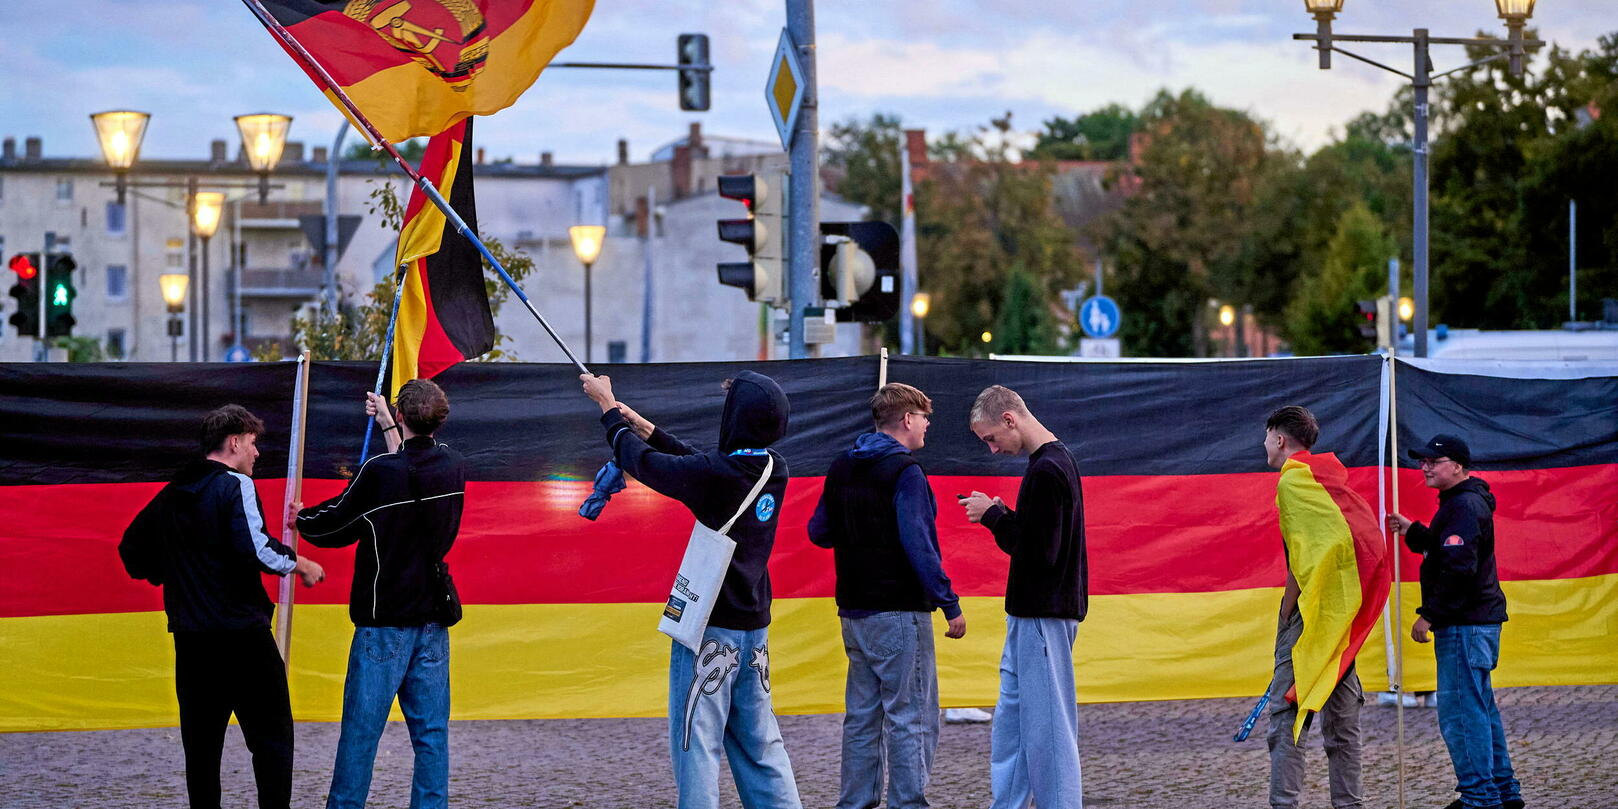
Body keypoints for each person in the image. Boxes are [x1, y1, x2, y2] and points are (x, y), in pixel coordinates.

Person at [580, 370, 803, 809]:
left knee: (695, 745)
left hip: (709, 628)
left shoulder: (718, 476)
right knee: (761, 746)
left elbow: (651, 467)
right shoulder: (775, 468)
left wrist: (607, 407)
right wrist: (644, 427)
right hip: (753, 629)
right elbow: (697, 464)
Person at [118, 404, 326, 809]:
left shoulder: (175, 491)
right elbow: (258, 549)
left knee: (201, 749)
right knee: (272, 739)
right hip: (242, 638)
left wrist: (173, 573)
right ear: (234, 442)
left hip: (192, 642)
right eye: (252, 443)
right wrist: (301, 564)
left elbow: (131, 551)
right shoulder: (236, 486)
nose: (256, 453)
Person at [293, 379, 467, 809]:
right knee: (431, 737)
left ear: (404, 416)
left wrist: (301, 519)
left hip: (383, 622)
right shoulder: (454, 466)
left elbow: (336, 524)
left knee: (360, 735)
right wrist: (390, 423)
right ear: (440, 419)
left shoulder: (379, 472)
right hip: (432, 620)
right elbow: (407, 473)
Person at [807, 382, 967, 809]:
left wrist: (858, 527)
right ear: (907, 419)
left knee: (862, 719)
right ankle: (907, 803)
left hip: (853, 612)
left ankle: (855, 802)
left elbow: (818, 532)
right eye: (925, 418)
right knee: (911, 716)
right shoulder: (906, 472)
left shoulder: (842, 466)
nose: (928, 426)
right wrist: (948, 603)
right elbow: (919, 544)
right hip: (899, 612)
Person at [958, 385, 1086, 809]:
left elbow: (1040, 555)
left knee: (1048, 730)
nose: (993, 450)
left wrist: (993, 517)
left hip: (1043, 614)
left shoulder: (1048, 469)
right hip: (1034, 614)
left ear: (1010, 419)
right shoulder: (1051, 463)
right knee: (1012, 727)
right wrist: (1006, 516)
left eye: (992, 437)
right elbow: (1041, 540)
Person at [1388, 435, 1522, 809]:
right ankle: (1503, 791)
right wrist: (1413, 531)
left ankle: (1480, 798)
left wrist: (1429, 615)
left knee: (1462, 712)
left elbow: (1459, 568)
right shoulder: (1462, 502)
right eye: (1424, 460)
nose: (1425, 466)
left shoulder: (1462, 505)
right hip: (1476, 621)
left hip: (1464, 623)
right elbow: (1448, 547)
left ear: (1459, 465)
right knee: (1480, 709)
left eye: (1435, 460)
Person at [1262, 405, 1366, 809]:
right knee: (1342, 723)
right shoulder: (1332, 480)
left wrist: (1286, 613)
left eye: (1267, 437)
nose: (1264, 445)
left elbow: (1302, 561)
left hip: (1309, 616)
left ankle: (1284, 804)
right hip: (1339, 615)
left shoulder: (1292, 483)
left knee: (1287, 719)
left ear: (1280, 439)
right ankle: (1349, 804)